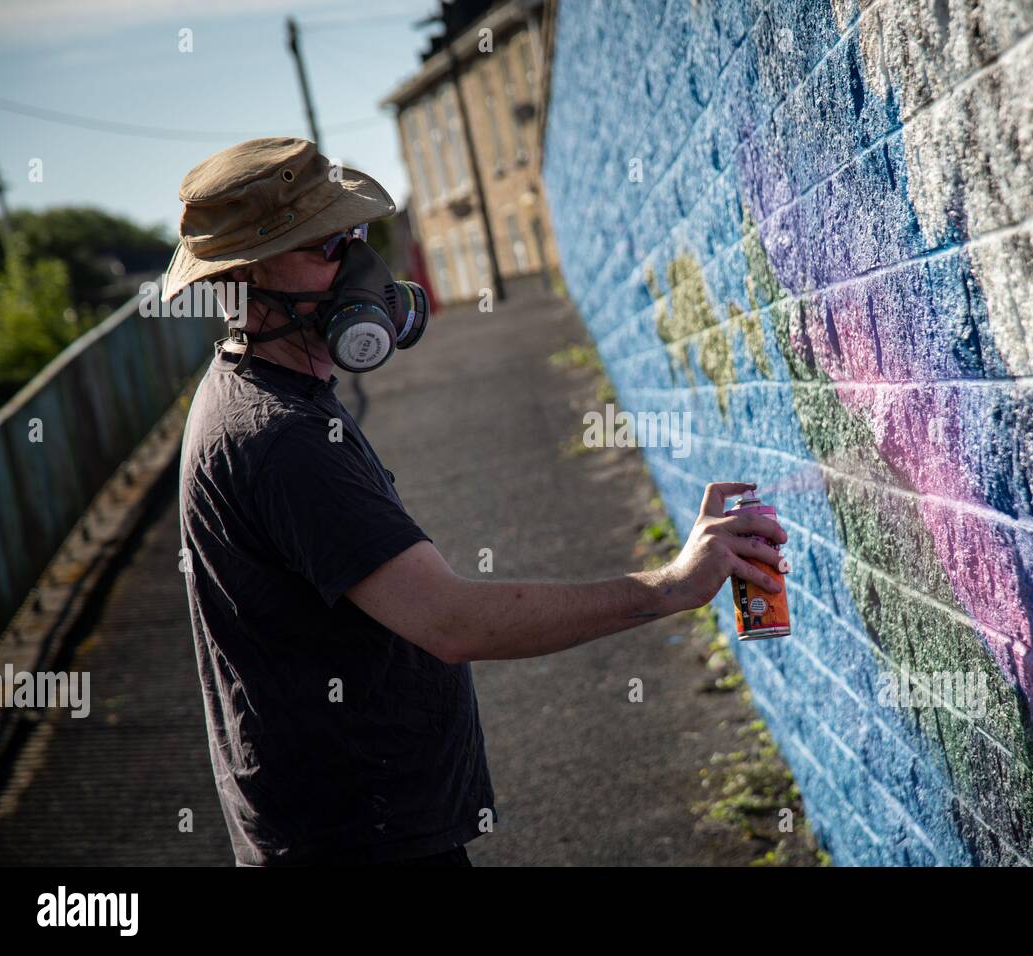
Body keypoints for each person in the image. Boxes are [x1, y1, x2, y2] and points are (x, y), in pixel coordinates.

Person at [164, 137, 787, 867]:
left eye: (358, 238)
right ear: (244, 285)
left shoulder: (263, 392)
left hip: (349, 825)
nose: (363, 269)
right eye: (329, 248)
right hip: (358, 842)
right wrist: (671, 587)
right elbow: (453, 622)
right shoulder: (283, 441)